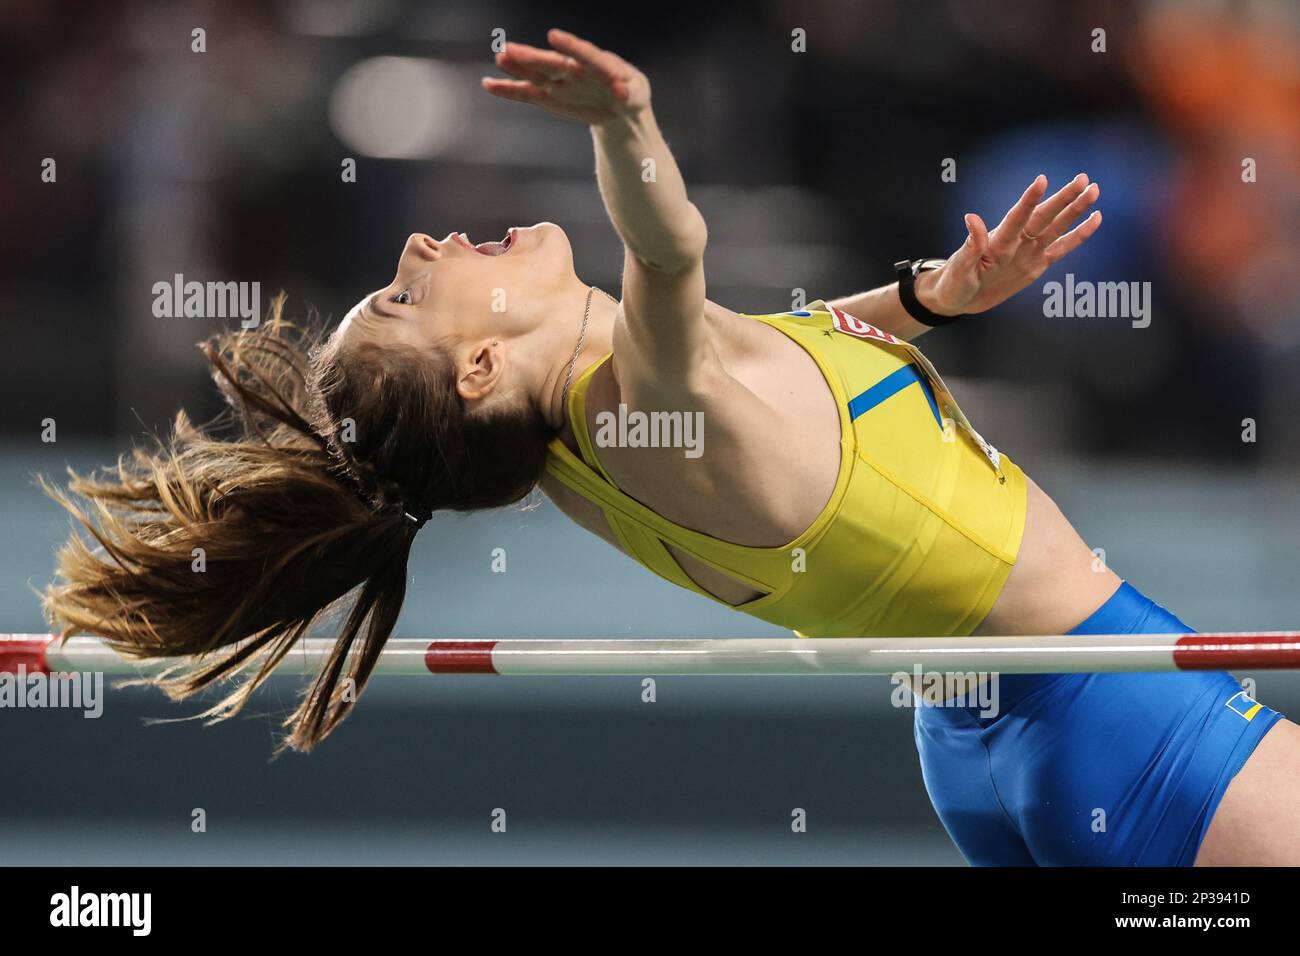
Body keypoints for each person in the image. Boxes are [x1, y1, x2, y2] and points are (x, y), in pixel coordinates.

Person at [43, 29, 1300, 866]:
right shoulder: (643, 386)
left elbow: (778, 361)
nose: (422, 250)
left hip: (980, 743)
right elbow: (671, 249)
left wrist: (924, 301)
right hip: (1113, 717)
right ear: (479, 368)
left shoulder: (600, 442)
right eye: (408, 295)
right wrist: (625, 122)